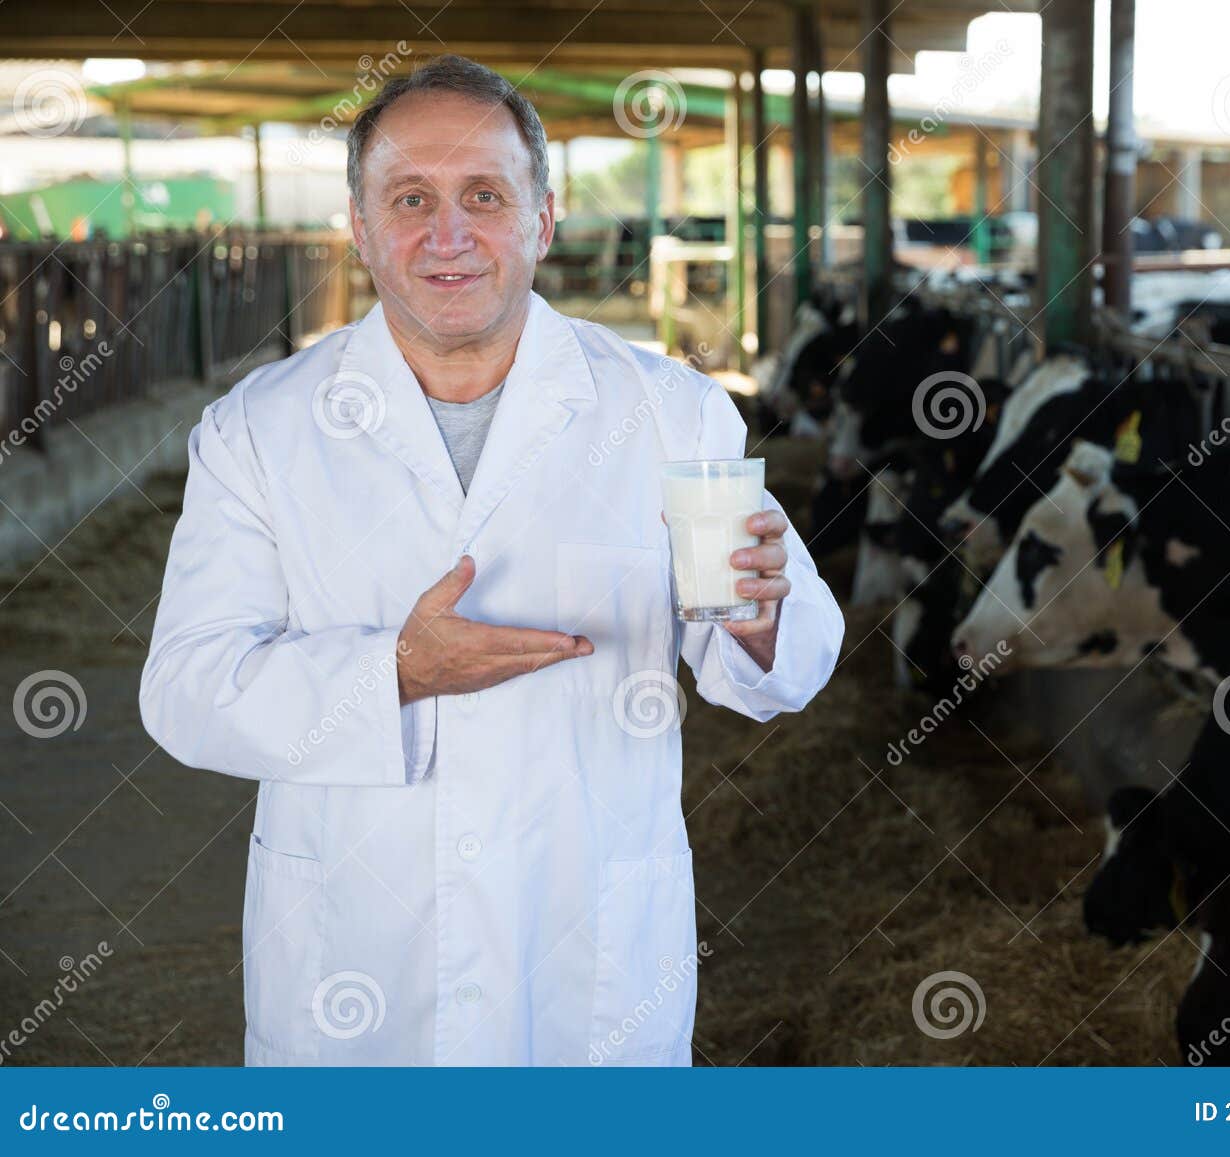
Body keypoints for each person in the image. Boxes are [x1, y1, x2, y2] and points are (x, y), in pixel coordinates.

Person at [139, 54, 844, 1066]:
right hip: (356, 961)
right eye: (410, 197)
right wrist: (394, 670)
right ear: (360, 224)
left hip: (586, 955)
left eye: (485, 195)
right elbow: (186, 689)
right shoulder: (260, 429)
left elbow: (779, 659)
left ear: (543, 218)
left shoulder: (669, 411)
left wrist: (754, 617)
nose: (449, 234)